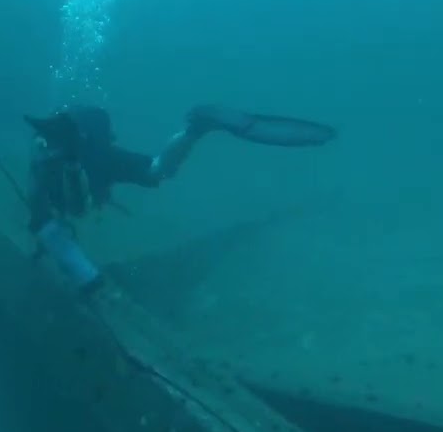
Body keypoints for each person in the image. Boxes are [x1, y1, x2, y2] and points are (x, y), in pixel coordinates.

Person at [23, 103, 336, 295]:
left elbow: (45, 221)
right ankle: (195, 129)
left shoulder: (42, 165)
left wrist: (86, 276)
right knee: (158, 170)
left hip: (75, 163)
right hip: (95, 156)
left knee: (66, 212)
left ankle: (75, 163)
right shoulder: (99, 154)